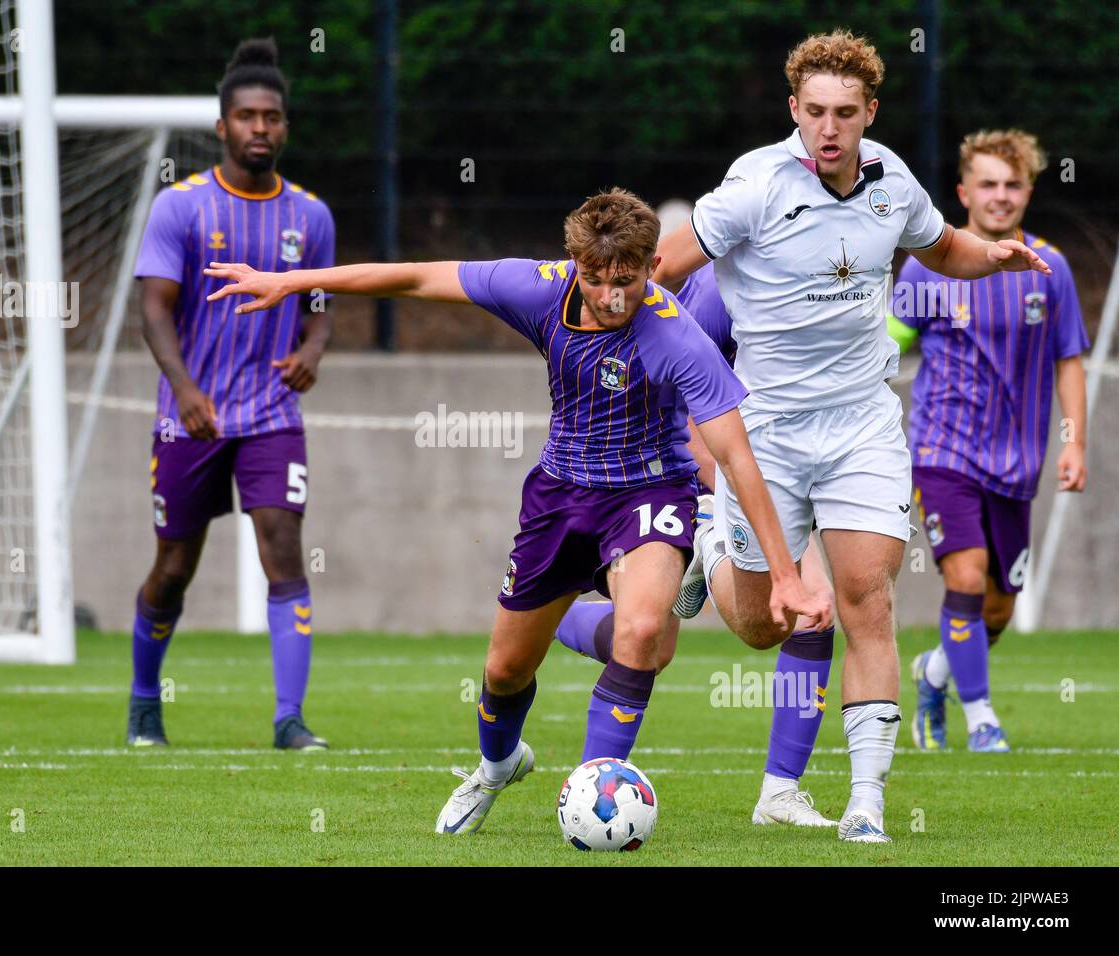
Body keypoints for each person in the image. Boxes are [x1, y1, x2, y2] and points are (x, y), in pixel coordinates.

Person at [203, 187, 827, 836]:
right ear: (572, 264)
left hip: (651, 493)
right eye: (596, 279)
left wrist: (784, 574)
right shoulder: (537, 290)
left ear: (652, 266)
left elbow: (738, 460)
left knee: (643, 633)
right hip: (560, 499)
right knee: (504, 672)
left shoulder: (677, 338)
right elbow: (417, 277)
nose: (612, 296)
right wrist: (291, 280)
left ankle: (596, 800)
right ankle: (498, 764)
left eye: (627, 280)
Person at [655, 30, 1050, 842]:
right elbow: (664, 266)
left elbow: (941, 247)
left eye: (846, 113)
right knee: (766, 626)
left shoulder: (892, 179)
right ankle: (713, 550)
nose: (829, 128)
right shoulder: (752, 187)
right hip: (763, 426)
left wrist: (993, 256)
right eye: (815, 112)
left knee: (863, 598)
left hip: (863, 422)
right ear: (792, 110)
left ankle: (865, 803)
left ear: (869, 111)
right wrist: (598, 322)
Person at [553, 260, 840, 828]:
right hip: (701, 473)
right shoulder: (718, 287)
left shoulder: (843, 265)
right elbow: (677, 403)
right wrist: (722, 492)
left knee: (665, 644)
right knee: (670, 639)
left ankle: (779, 795)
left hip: (788, 461)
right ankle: (701, 540)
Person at [127, 38, 335, 751]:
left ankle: (289, 720)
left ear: (285, 125)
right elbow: (154, 307)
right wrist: (183, 388)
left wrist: (312, 349)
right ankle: (145, 704)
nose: (259, 129)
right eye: (245, 116)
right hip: (194, 416)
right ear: (222, 126)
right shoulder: (180, 208)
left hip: (272, 415)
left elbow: (321, 304)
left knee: (283, 548)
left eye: (271, 117)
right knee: (174, 566)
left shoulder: (311, 217)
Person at [892, 129, 1089, 753]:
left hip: (1019, 463)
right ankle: (981, 719)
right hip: (943, 451)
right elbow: (887, 341)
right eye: (988, 184)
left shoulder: (1049, 268)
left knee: (998, 609)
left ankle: (935, 672)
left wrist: (1074, 441)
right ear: (963, 192)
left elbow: (1069, 361)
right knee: (968, 579)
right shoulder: (929, 264)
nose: (1000, 196)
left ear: (1029, 191)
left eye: (1012, 184)